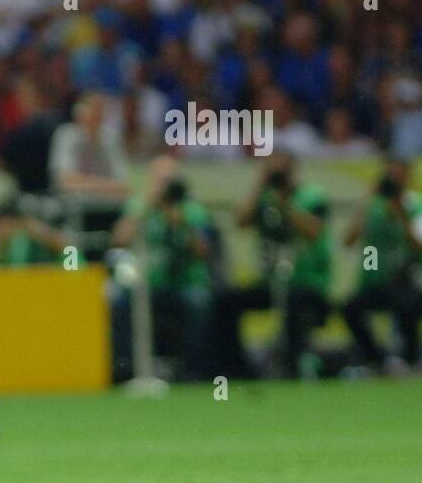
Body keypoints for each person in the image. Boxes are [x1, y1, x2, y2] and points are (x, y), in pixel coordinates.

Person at [214, 152, 332, 378]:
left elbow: (315, 232)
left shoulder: (311, 196)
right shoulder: (264, 198)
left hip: (306, 281)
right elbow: (240, 222)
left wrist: (285, 204)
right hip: (272, 281)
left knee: (294, 301)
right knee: (225, 301)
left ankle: (293, 367)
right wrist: (260, 185)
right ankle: (238, 368)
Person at [111, 154, 213, 381]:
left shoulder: (191, 210)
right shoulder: (139, 205)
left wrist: (182, 222)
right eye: (161, 180)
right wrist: (146, 207)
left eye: (170, 180)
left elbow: (204, 252)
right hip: (145, 285)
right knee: (117, 299)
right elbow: (119, 240)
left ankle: (192, 371)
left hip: (184, 282)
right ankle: (127, 370)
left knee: (199, 302)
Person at [341, 160, 422, 373]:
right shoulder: (373, 206)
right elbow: (348, 240)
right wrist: (367, 200)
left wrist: (402, 217)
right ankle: (376, 358)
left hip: (406, 279)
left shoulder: (414, 204)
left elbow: (418, 246)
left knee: (408, 304)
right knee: (350, 307)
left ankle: (410, 359)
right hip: (376, 281)